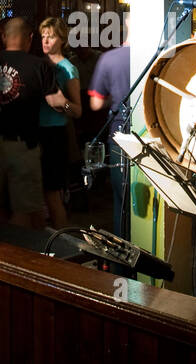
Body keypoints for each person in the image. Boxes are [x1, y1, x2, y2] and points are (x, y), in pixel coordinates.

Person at [0, 17, 67, 229]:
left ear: (4, 37)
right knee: (26, 209)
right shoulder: (39, 65)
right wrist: (71, 107)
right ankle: (21, 256)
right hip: (23, 145)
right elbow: (54, 102)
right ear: (30, 38)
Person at [38, 17, 82, 229]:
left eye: (51, 36)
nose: (46, 40)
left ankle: (60, 247)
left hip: (55, 134)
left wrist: (62, 103)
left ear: (62, 39)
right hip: (34, 133)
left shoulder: (67, 68)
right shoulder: (37, 64)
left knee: (52, 194)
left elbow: (77, 110)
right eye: (43, 36)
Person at [86, 42, 131, 240]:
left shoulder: (109, 58)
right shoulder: (158, 56)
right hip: (150, 135)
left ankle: (122, 257)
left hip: (119, 136)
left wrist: (113, 99)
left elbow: (95, 103)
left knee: (121, 202)